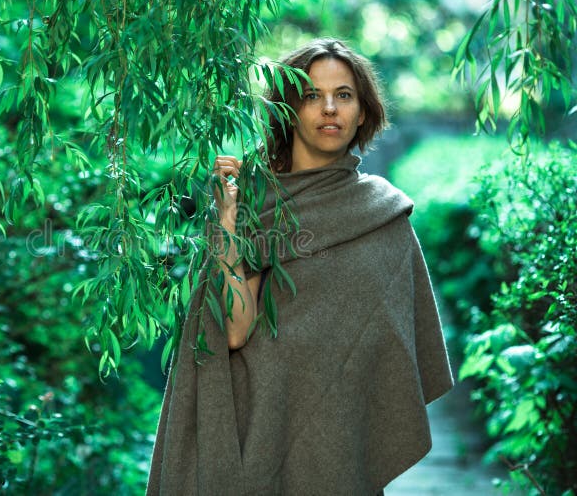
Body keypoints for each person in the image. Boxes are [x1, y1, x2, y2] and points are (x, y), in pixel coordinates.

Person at [147, 37, 454, 495]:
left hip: (343, 445)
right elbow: (234, 330)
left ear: (363, 112)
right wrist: (228, 223)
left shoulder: (385, 215)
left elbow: (390, 350)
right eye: (312, 96)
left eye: (344, 96)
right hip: (259, 434)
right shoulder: (251, 203)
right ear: (288, 111)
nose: (330, 108)